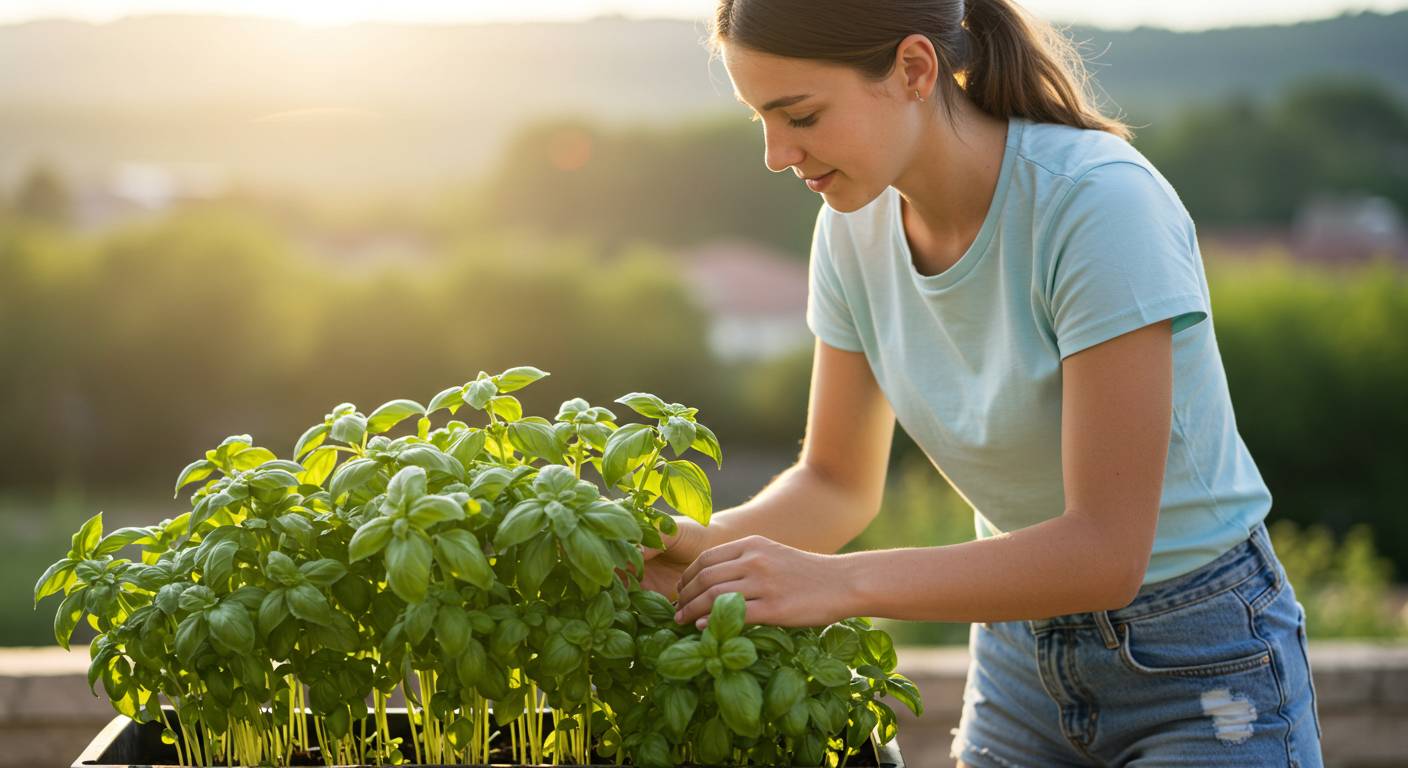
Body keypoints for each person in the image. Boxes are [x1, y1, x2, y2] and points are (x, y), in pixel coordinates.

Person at [639, 0, 1325, 766]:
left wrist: (838, 584)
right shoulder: (851, 226)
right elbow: (834, 483)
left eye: (798, 115)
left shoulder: (1097, 205)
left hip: (1200, 661)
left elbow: (1105, 551)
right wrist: (700, 554)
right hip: (1015, 655)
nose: (774, 152)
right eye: (759, 118)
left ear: (913, 70)